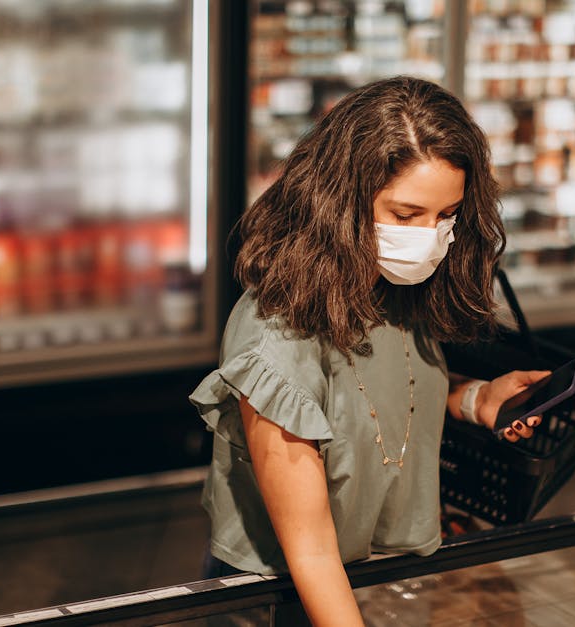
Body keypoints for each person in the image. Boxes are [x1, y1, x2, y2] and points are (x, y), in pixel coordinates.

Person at [189, 76, 549, 625]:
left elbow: (382, 393)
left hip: (375, 577)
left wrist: (475, 399)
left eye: (446, 216)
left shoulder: (393, 283)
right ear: (342, 200)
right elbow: (308, 551)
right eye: (406, 216)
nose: (430, 237)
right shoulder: (277, 337)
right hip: (281, 600)